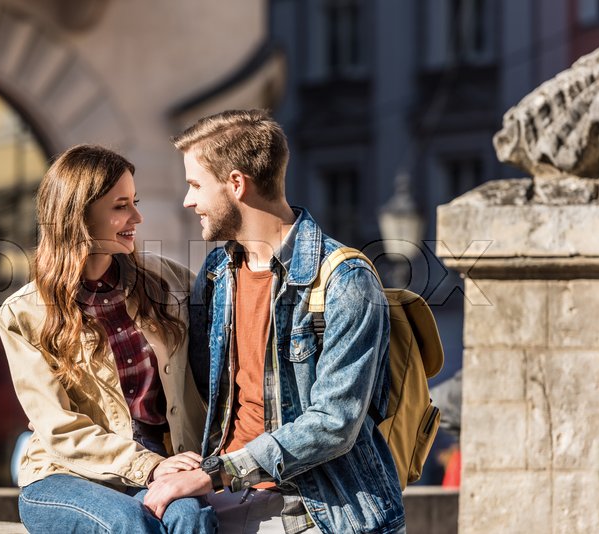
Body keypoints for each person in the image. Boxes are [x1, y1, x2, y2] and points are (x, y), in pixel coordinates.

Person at [143, 110, 406, 533]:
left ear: (236, 183)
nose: (188, 201)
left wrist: (216, 473)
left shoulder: (345, 280)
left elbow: (335, 422)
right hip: (227, 495)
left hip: (314, 508)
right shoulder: (216, 275)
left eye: (195, 185)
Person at [0, 145, 216, 534]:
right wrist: (148, 466)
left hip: (160, 463)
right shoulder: (23, 313)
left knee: (191, 518)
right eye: (120, 206)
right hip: (63, 476)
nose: (137, 217)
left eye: (135, 202)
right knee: (129, 524)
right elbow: (60, 428)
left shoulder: (170, 283)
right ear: (80, 215)